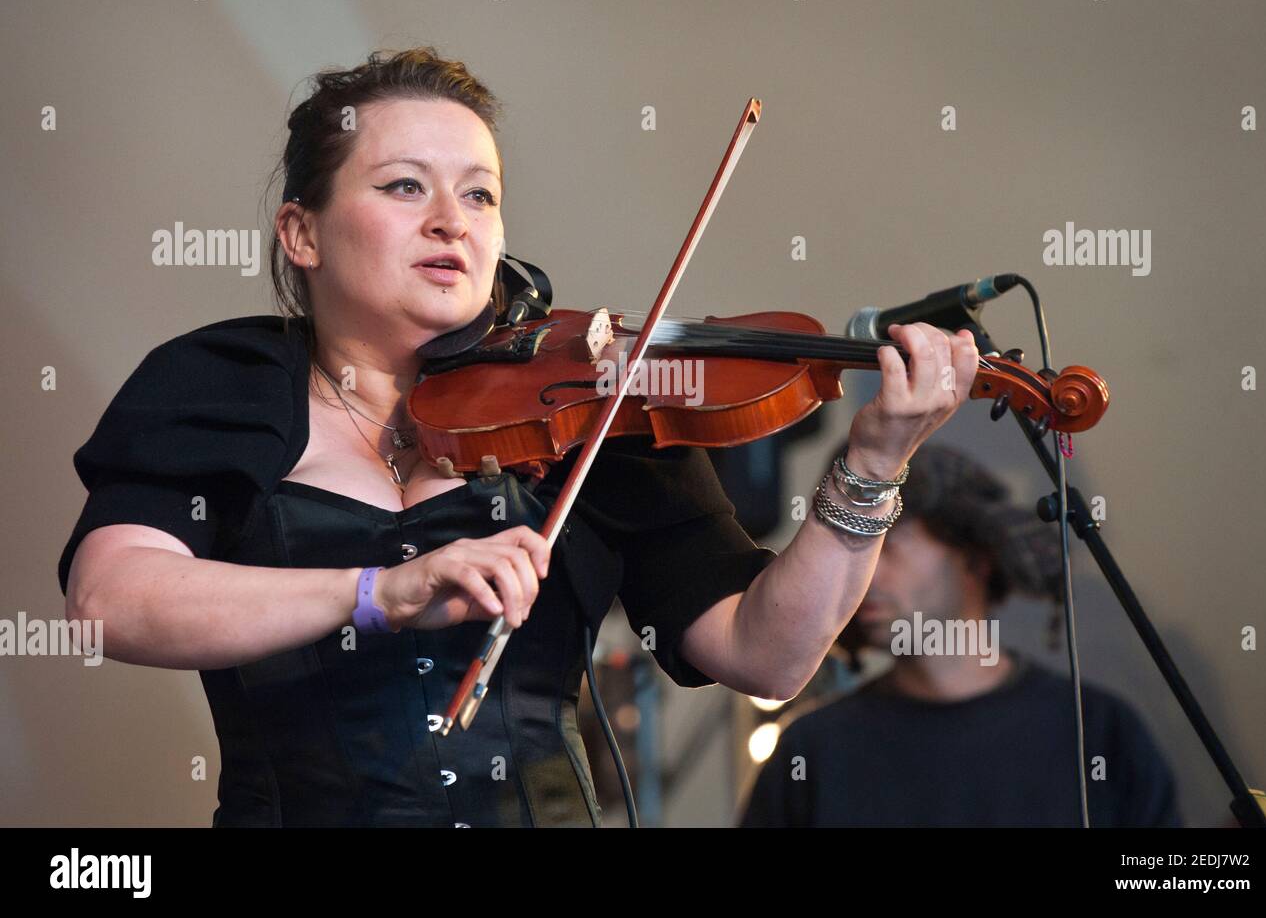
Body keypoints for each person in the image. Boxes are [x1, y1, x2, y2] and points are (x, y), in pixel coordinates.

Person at [57, 46, 982, 827]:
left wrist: (874, 463)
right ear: (302, 231)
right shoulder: (220, 384)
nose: (451, 222)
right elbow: (113, 598)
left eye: (481, 196)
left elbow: (766, 654)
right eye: (404, 186)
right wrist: (378, 591)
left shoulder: (590, 404)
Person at [738, 444, 1183, 827]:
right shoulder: (810, 752)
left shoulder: (1099, 733)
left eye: (886, 543)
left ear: (975, 556)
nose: (862, 575)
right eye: (852, 548)